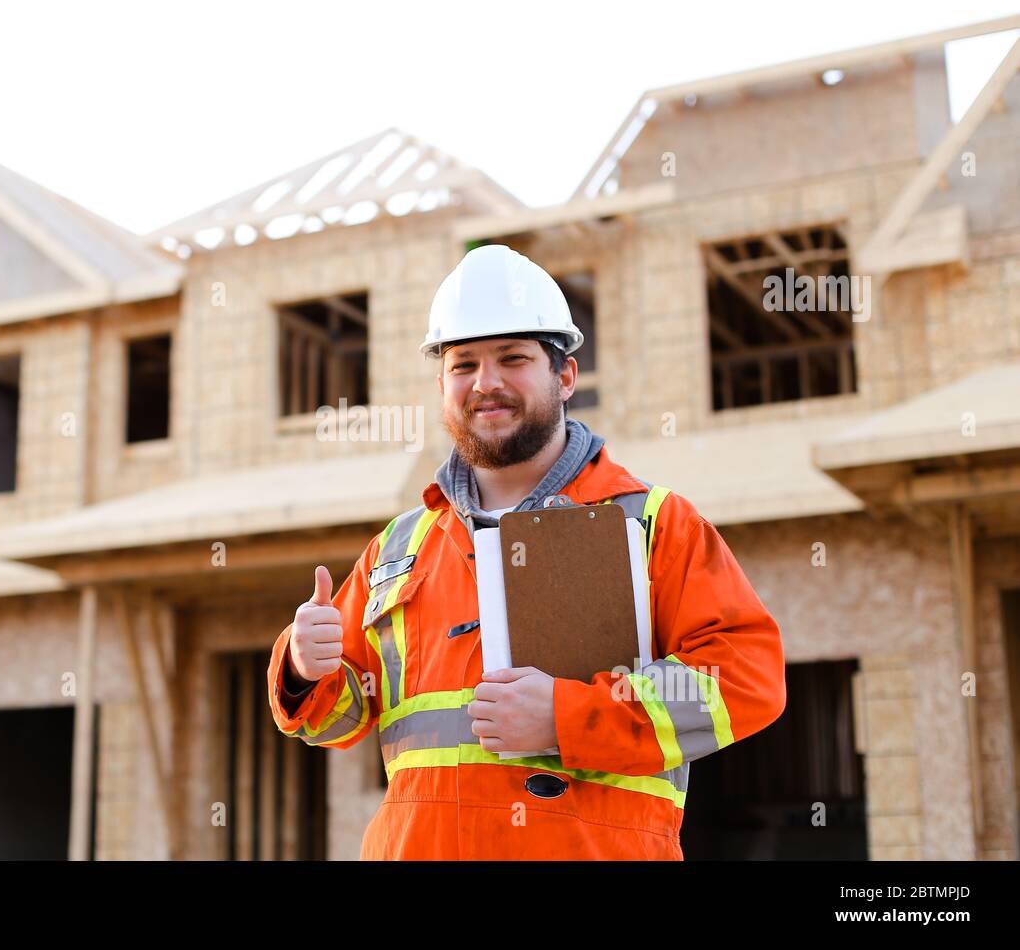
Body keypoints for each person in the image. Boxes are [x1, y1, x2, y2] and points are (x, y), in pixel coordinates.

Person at [267, 244, 786, 860]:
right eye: (464, 365)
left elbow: (744, 679)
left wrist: (571, 717)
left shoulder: (648, 523)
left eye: (512, 358)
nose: (485, 383)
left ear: (565, 376)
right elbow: (341, 721)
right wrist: (305, 667)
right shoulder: (402, 544)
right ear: (442, 385)